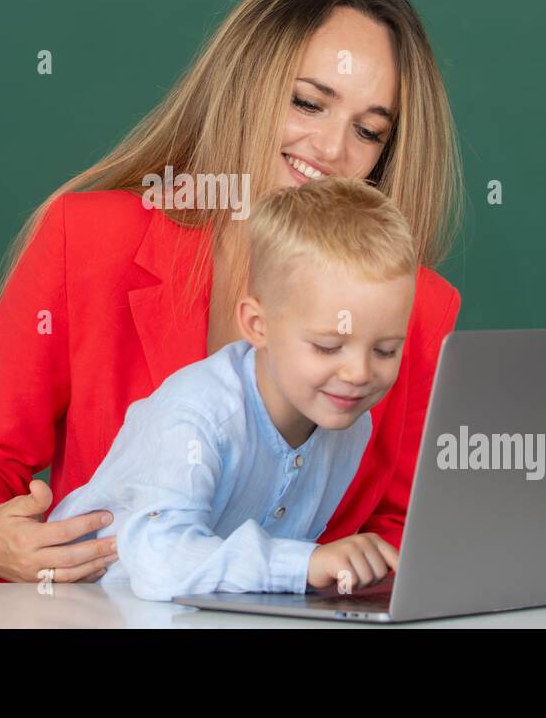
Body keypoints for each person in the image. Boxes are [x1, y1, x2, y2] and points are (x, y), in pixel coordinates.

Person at [0, 0, 464, 584]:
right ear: (246, 85)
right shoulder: (89, 240)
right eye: (308, 103)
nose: (333, 149)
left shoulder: (415, 305)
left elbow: (403, 529)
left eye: (368, 131)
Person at [45, 176, 415, 600]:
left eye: (386, 350)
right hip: (81, 610)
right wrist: (304, 563)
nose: (359, 373)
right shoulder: (198, 415)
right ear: (258, 326)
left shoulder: (349, 422)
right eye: (328, 346)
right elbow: (161, 560)